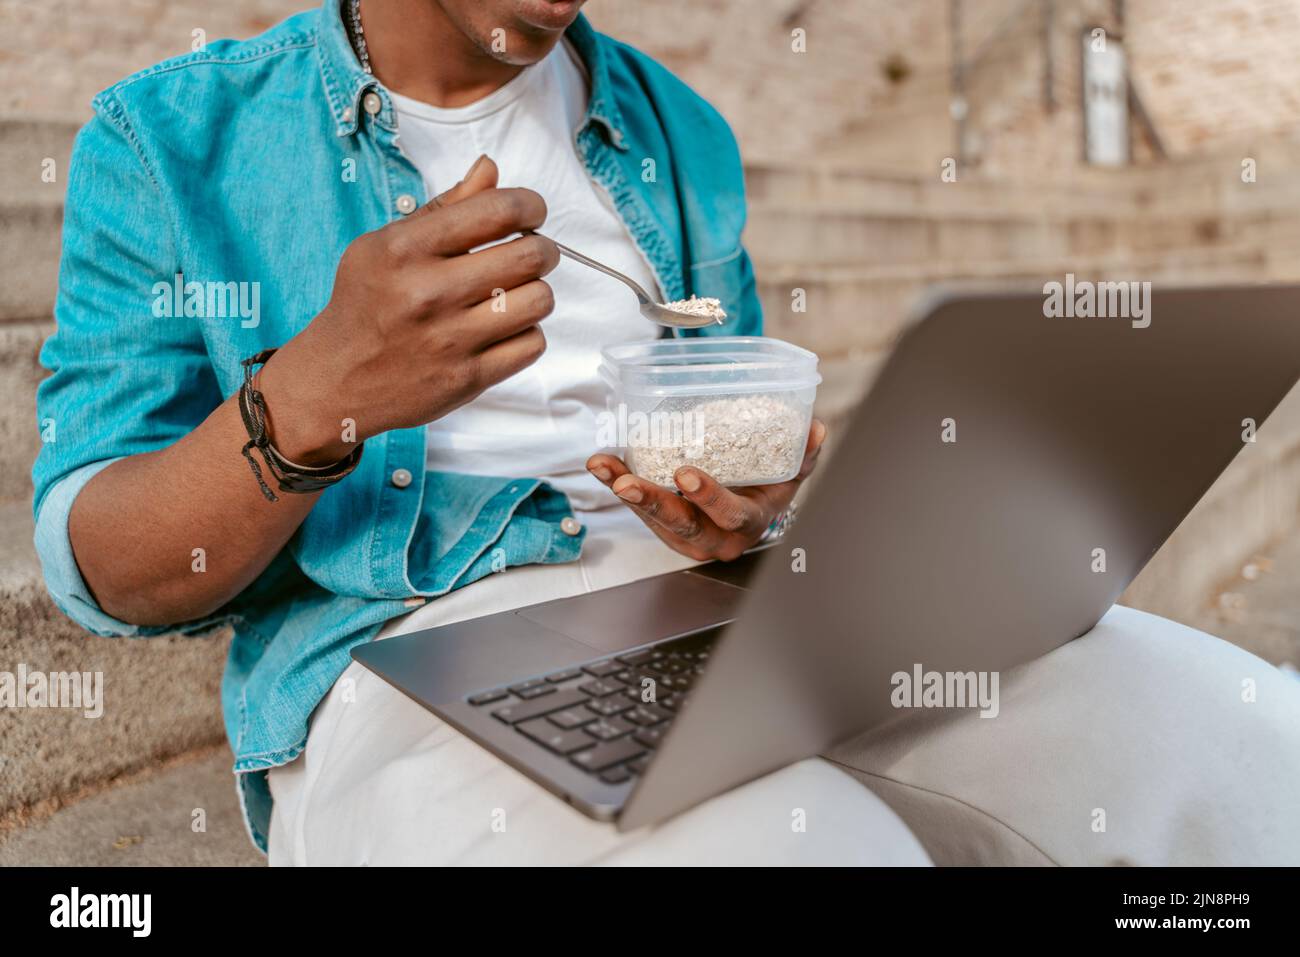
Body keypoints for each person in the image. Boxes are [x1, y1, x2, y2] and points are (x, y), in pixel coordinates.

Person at [33, 0, 1300, 865]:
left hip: (719, 619)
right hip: (406, 655)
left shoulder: (673, 124)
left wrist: (745, 516)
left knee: (1244, 735)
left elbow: (723, 425)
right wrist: (313, 395)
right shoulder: (173, 142)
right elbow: (109, 569)